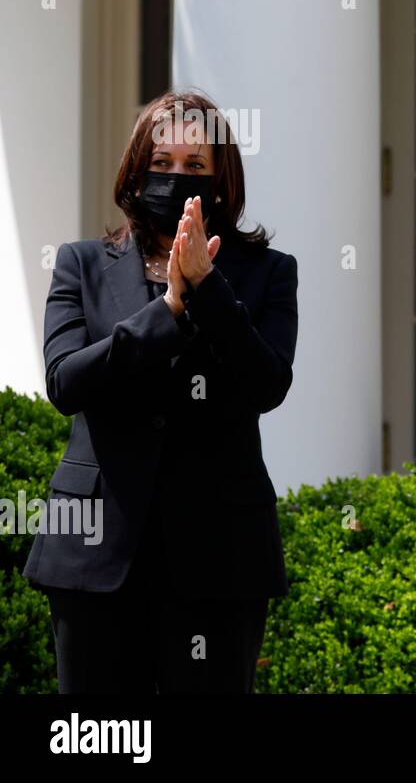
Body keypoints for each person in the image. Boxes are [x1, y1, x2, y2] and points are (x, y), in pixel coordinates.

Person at [23, 89, 298, 693]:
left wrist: (208, 289)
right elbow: (66, 381)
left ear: (221, 177)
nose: (176, 177)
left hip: (218, 560)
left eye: (195, 166)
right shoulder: (82, 264)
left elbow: (267, 383)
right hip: (96, 554)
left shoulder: (268, 272)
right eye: (162, 161)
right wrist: (169, 308)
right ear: (135, 168)